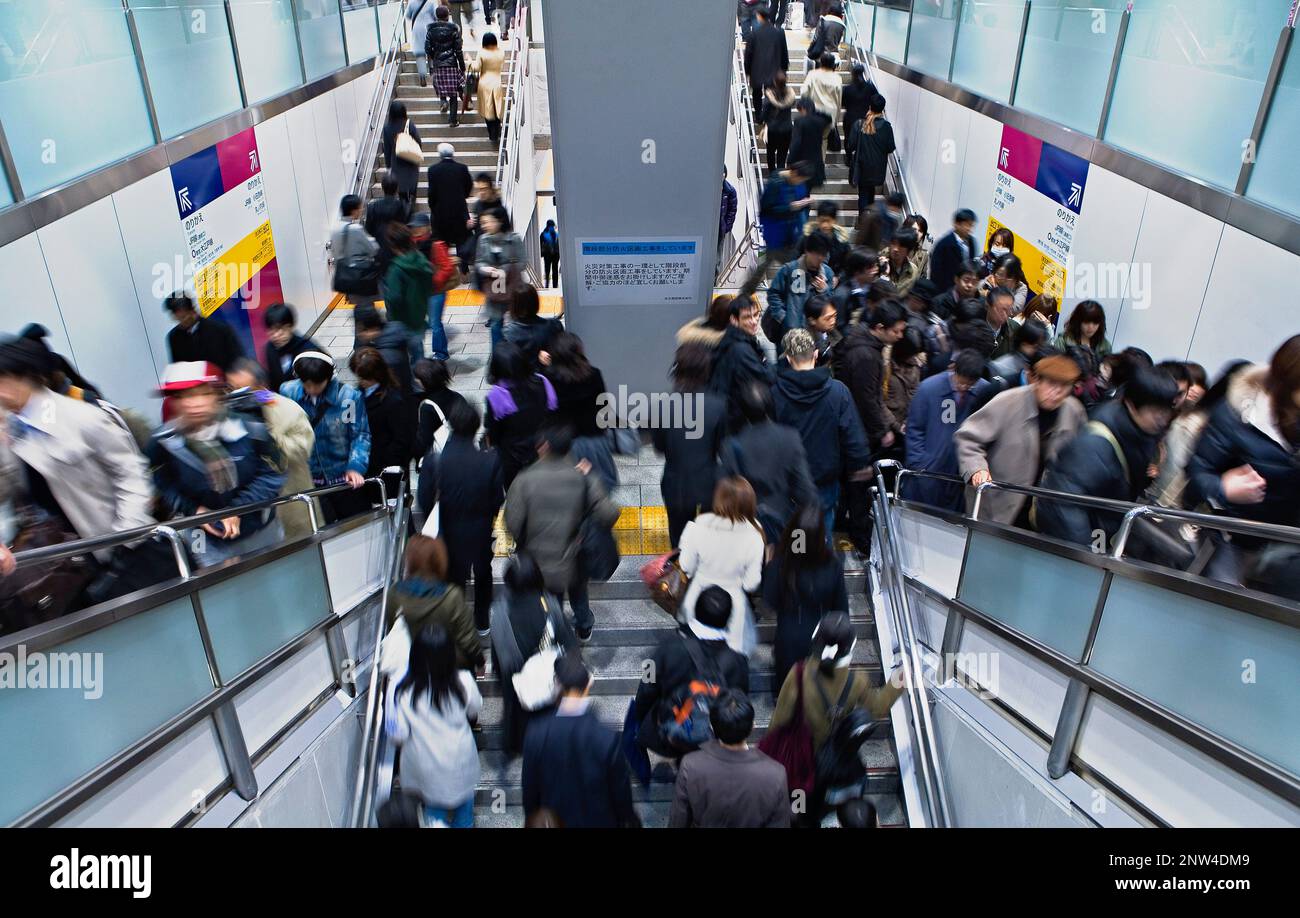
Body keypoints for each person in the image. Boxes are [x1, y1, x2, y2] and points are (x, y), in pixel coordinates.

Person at [0, 335, 155, 571]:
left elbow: (131, 475)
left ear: (21, 377)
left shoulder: (82, 417)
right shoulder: (13, 431)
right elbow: (7, 490)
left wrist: (124, 540)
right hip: (66, 564)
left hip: (121, 554)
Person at [1183, 337, 1300, 582]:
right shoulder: (1237, 413)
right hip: (1230, 539)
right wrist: (1224, 488)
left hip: (1284, 543)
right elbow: (1196, 473)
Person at [146, 362, 284, 568]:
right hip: (204, 539)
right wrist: (195, 511)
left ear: (217, 395)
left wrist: (237, 509)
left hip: (259, 529)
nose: (194, 403)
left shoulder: (250, 429)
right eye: (183, 396)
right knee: (218, 590)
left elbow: (274, 473)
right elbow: (163, 482)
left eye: (203, 393)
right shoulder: (164, 443)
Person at [1037, 366, 1181, 547]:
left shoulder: (1142, 432)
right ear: (1130, 403)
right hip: (1084, 539)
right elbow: (1065, 503)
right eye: (1154, 410)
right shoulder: (1095, 444)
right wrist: (1088, 555)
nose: (1162, 418)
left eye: (1166, 410)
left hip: (1103, 529)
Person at [505, 422, 619, 643]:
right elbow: (609, 515)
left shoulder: (523, 480)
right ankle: (584, 626)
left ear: (543, 447)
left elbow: (512, 523)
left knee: (551, 599)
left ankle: (555, 632)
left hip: (539, 563)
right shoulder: (583, 478)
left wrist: (526, 542)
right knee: (578, 592)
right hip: (575, 557)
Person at [954, 355, 1086, 526]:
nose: (1056, 392)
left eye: (1064, 387)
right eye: (1051, 384)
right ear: (1037, 380)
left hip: (1040, 510)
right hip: (996, 503)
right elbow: (967, 437)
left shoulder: (1074, 411)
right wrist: (977, 469)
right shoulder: (1008, 401)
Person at [522, 654, 639, 828]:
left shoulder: (536, 732)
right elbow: (621, 794)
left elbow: (530, 792)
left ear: (557, 686)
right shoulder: (607, 737)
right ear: (587, 687)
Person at [773, 329, 871, 536]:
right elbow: (852, 435)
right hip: (823, 481)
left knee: (790, 537)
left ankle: (791, 565)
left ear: (788, 358)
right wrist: (859, 463)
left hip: (786, 482)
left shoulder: (774, 392)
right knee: (820, 537)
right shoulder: (838, 392)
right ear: (816, 353)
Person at [633, 586, 751, 757]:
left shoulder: (666, 647)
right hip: (712, 736)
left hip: (671, 727)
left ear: (695, 609)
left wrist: (640, 715)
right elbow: (740, 698)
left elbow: (647, 682)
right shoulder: (738, 661)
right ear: (728, 619)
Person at [417, 400, 503, 634]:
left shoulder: (435, 461)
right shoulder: (490, 460)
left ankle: (456, 620)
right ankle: (482, 620)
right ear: (476, 428)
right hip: (481, 529)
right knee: (483, 573)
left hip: (449, 530)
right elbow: (497, 499)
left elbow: (424, 499)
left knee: (454, 578)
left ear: (452, 425)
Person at [385, 623, 481, 828]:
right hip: (460, 759)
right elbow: (474, 710)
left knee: (433, 816)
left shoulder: (403, 690)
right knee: (464, 816)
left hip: (424, 765)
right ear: (449, 655)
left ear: (415, 655)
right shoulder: (463, 681)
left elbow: (398, 735)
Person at [769, 611, 902, 755]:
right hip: (835, 755)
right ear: (850, 648)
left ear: (815, 638)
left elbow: (779, 720)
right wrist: (900, 678)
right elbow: (876, 708)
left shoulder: (799, 672)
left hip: (803, 753)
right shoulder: (857, 679)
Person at [489, 554, 577, 755]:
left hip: (513, 676)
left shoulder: (499, 611)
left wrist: (498, 673)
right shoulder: (549, 605)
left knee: (516, 713)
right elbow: (569, 643)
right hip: (545, 675)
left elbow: (497, 650)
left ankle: (517, 745)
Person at [668, 689, 789, 828]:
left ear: (712, 728)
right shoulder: (775, 773)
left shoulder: (690, 765)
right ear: (752, 727)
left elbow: (678, 821)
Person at [225, 358, 316, 541]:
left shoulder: (285, 408)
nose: (237, 396)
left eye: (244, 390)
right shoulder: (226, 415)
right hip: (251, 509)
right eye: (232, 389)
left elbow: (303, 448)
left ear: (261, 387)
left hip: (289, 495)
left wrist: (269, 440)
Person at [279, 352, 372, 523]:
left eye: (318, 384)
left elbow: (359, 434)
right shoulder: (288, 392)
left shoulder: (348, 398)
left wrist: (356, 466)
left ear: (329, 378)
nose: (312, 389)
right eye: (307, 384)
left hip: (342, 478)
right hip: (309, 481)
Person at [762, 504, 849, 687]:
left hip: (788, 640)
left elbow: (769, 603)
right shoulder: (833, 565)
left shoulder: (779, 566)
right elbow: (841, 610)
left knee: (788, 694)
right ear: (821, 537)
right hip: (823, 639)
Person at [679, 477, 767, 655]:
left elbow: (686, 566)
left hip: (698, 598)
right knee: (729, 657)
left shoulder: (698, 525)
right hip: (734, 605)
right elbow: (751, 584)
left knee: (694, 654)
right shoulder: (755, 534)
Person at [1146, 360, 1251, 511]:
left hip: (1177, 502)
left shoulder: (1212, 418)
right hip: (1165, 497)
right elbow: (1176, 464)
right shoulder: (1198, 417)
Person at [654, 343, 728, 548]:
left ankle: (681, 575)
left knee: (679, 540)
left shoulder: (663, 405)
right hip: (709, 484)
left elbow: (659, 448)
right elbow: (723, 447)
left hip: (675, 483)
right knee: (709, 539)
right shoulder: (718, 405)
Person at [903, 349, 985, 512]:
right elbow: (914, 429)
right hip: (927, 470)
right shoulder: (929, 388)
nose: (963, 388)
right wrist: (919, 463)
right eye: (960, 382)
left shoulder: (982, 391)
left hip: (957, 473)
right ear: (953, 369)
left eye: (969, 385)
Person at [386, 535, 482, 670]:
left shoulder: (394, 594)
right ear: (438, 560)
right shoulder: (451, 596)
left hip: (412, 666)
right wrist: (479, 660)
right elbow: (467, 640)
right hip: (449, 667)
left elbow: (393, 629)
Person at [544, 332, 616, 493]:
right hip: (594, 439)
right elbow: (604, 407)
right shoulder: (593, 374)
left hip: (564, 443)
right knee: (601, 482)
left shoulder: (548, 379)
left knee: (569, 488)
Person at [835, 299, 908, 455]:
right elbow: (867, 399)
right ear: (880, 328)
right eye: (896, 331)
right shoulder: (866, 357)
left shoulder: (868, 345)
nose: (900, 336)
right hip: (858, 428)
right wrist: (881, 431)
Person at [484, 340, 556, 488]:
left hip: (513, 457)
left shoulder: (497, 395)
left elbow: (495, 434)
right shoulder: (542, 382)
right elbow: (553, 412)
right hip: (542, 450)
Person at [707, 295, 776, 432]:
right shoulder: (740, 349)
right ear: (734, 320)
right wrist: (784, 363)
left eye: (756, 315)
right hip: (734, 419)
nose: (754, 321)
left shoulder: (738, 340)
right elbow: (765, 377)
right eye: (746, 317)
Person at [349, 347, 413, 489]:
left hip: (385, 469)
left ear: (376, 375)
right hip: (366, 462)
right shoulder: (358, 392)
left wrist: (384, 462)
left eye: (365, 377)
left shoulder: (392, 400)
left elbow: (402, 439)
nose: (361, 380)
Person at [766, 233, 834, 346]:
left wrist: (824, 290)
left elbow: (830, 302)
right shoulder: (789, 269)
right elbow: (774, 294)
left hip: (815, 335)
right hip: (789, 332)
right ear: (807, 251)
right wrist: (783, 318)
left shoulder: (827, 273)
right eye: (817, 254)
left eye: (824, 254)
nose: (820, 258)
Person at [475, 206, 526, 352]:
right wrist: (484, 269)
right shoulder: (483, 239)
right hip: (494, 290)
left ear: (500, 221)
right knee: (496, 325)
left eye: (488, 222)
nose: (485, 226)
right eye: (483, 223)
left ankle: (518, 353)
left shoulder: (514, 239)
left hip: (513, 289)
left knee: (518, 323)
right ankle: (498, 357)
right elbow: (479, 261)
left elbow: (523, 262)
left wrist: (505, 270)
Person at [382, 223, 433, 367]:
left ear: (392, 245)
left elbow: (394, 298)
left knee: (403, 359)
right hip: (419, 316)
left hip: (401, 322)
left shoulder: (396, 269)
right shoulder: (421, 259)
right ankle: (423, 380)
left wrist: (391, 318)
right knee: (418, 353)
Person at [755, 161, 814, 277]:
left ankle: (748, 290)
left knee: (769, 264)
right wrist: (791, 207)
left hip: (790, 233)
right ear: (795, 173)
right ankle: (797, 291)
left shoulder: (796, 184)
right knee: (796, 267)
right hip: (776, 233)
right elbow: (766, 209)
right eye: (801, 179)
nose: (801, 182)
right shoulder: (775, 184)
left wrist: (802, 204)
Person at [163, 293, 245, 373]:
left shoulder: (219, 329)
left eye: (183, 317)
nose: (181, 321)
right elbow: (178, 368)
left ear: (193, 310)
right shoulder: (174, 337)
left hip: (224, 382)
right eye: (177, 318)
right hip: (196, 385)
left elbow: (237, 360)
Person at [412, 358, 471, 461]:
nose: (416, 380)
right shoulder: (458, 397)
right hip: (463, 452)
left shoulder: (428, 407)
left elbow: (424, 442)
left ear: (425, 382)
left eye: (418, 378)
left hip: (442, 460)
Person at [331, 194, 381, 315]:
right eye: (360, 207)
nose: (362, 210)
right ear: (353, 210)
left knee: (358, 309)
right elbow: (374, 248)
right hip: (360, 274)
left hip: (345, 274)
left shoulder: (335, 228)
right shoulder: (355, 228)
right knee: (367, 309)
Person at [354, 309, 415, 399]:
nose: (359, 334)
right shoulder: (397, 328)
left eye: (361, 331)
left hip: (396, 400)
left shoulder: (384, 358)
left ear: (373, 329)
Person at [262, 303, 322, 394]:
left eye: (281, 329)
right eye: (271, 330)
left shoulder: (308, 349)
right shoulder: (270, 348)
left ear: (291, 326)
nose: (276, 335)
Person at [849, 94, 895, 210]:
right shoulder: (886, 127)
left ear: (870, 107)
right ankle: (869, 221)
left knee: (863, 193)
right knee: (870, 191)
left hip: (862, 166)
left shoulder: (859, 124)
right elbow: (890, 148)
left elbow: (851, 145)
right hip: (877, 168)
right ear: (883, 109)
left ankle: (863, 221)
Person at [502, 284, 562, 370]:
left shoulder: (509, 333)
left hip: (524, 380)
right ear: (536, 302)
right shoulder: (554, 325)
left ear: (514, 305)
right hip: (550, 377)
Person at [364, 172, 410, 283]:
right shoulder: (402, 206)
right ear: (396, 188)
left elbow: (368, 230)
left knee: (383, 280)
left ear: (382, 187)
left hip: (379, 250)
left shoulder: (372, 206)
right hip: (397, 249)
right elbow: (404, 227)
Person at [427, 143, 473, 251]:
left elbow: (432, 192)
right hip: (459, 210)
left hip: (440, 212)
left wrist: (433, 206)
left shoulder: (433, 170)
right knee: (461, 241)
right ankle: (463, 266)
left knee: (443, 245)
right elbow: (468, 185)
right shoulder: (462, 168)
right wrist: (463, 196)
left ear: (440, 154)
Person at [745, 5, 788, 119]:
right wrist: (783, 69)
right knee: (771, 94)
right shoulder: (779, 33)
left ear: (759, 16)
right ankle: (769, 115)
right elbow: (784, 53)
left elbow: (748, 54)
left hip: (757, 70)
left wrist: (747, 70)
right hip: (774, 70)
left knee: (757, 94)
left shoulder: (754, 34)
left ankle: (758, 116)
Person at [426, 5, 466, 127]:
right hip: (451, 64)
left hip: (439, 64)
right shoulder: (454, 30)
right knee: (453, 94)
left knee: (441, 86)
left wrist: (435, 56)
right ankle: (452, 121)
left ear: (437, 16)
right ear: (447, 15)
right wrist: (462, 66)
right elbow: (458, 50)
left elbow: (427, 48)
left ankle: (443, 101)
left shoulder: (431, 30)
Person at [380, 100, 423, 208]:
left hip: (396, 162)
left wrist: (388, 166)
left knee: (401, 187)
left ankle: (404, 206)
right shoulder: (408, 124)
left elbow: (387, 149)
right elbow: (418, 141)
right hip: (410, 160)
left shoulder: (387, 128)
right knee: (412, 184)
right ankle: (412, 201)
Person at [800, 53, 842, 156]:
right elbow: (838, 100)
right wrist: (835, 118)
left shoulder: (813, 74)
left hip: (814, 112)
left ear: (821, 62)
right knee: (823, 140)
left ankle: (810, 164)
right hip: (829, 114)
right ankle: (820, 165)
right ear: (833, 64)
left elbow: (804, 92)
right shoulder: (837, 78)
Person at [930, 209, 978, 294]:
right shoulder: (944, 244)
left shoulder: (972, 242)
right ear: (956, 224)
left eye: (971, 225)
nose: (969, 228)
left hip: (964, 290)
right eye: (966, 225)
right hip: (946, 290)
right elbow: (936, 272)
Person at [799, 200, 851, 276]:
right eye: (822, 221)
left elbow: (848, 264)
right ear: (817, 219)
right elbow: (797, 259)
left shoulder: (842, 240)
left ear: (835, 220)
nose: (824, 225)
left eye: (828, 221)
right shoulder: (808, 238)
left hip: (835, 278)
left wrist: (838, 277)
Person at [842, 63, 876, 176]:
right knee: (864, 140)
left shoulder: (847, 88)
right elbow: (876, 100)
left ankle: (848, 157)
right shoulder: (870, 87)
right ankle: (860, 159)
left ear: (852, 74)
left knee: (848, 137)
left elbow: (843, 103)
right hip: (865, 118)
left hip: (850, 118)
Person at [788, 99, 830, 192]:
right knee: (808, 190)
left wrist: (790, 160)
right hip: (816, 161)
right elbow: (828, 117)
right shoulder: (821, 121)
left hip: (802, 162)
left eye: (799, 110)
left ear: (803, 108)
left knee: (800, 191)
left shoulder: (799, 121)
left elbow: (796, 142)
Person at [761, 71, 798, 173]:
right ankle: (780, 176)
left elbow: (763, 115)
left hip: (773, 130)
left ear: (774, 82)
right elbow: (794, 103)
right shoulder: (790, 95)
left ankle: (773, 175)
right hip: (787, 129)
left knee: (771, 153)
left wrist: (763, 122)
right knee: (782, 155)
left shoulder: (770, 96)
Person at [474, 31, 506, 145]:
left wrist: (468, 61)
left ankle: (491, 133)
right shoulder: (500, 52)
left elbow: (476, 68)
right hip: (496, 82)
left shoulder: (482, 53)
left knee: (487, 109)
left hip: (484, 83)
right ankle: (497, 130)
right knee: (496, 108)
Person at [407, 0, 441, 87]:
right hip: (429, 27)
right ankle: (432, 70)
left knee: (420, 54)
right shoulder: (430, 3)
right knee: (431, 50)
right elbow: (436, 15)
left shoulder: (411, 2)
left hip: (417, 28)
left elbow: (408, 16)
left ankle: (422, 76)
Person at [802, 295, 841, 368]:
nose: (833, 321)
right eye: (828, 318)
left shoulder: (832, 331)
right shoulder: (804, 343)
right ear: (812, 320)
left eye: (834, 316)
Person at [881, 225, 919, 296]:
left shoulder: (913, 271)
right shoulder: (880, 264)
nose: (896, 249)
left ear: (909, 249)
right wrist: (885, 275)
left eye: (901, 246)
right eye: (893, 244)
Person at [986, 285, 1019, 360]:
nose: (1007, 314)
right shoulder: (974, 323)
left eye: (1009, 309)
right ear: (988, 305)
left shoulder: (1014, 328)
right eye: (1002, 309)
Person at [719, 165, 739, 271]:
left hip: (720, 229)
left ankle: (713, 283)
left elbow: (732, 211)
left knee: (717, 258)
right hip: (708, 229)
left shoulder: (730, 190)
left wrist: (727, 227)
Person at [539, 218, 560, 289]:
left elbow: (540, 244)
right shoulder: (557, 234)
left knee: (547, 270)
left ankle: (547, 285)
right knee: (555, 269)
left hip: (547, 255)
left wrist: (541, 253)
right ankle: (555, 285)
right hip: (556, 254)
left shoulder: (543, 234)